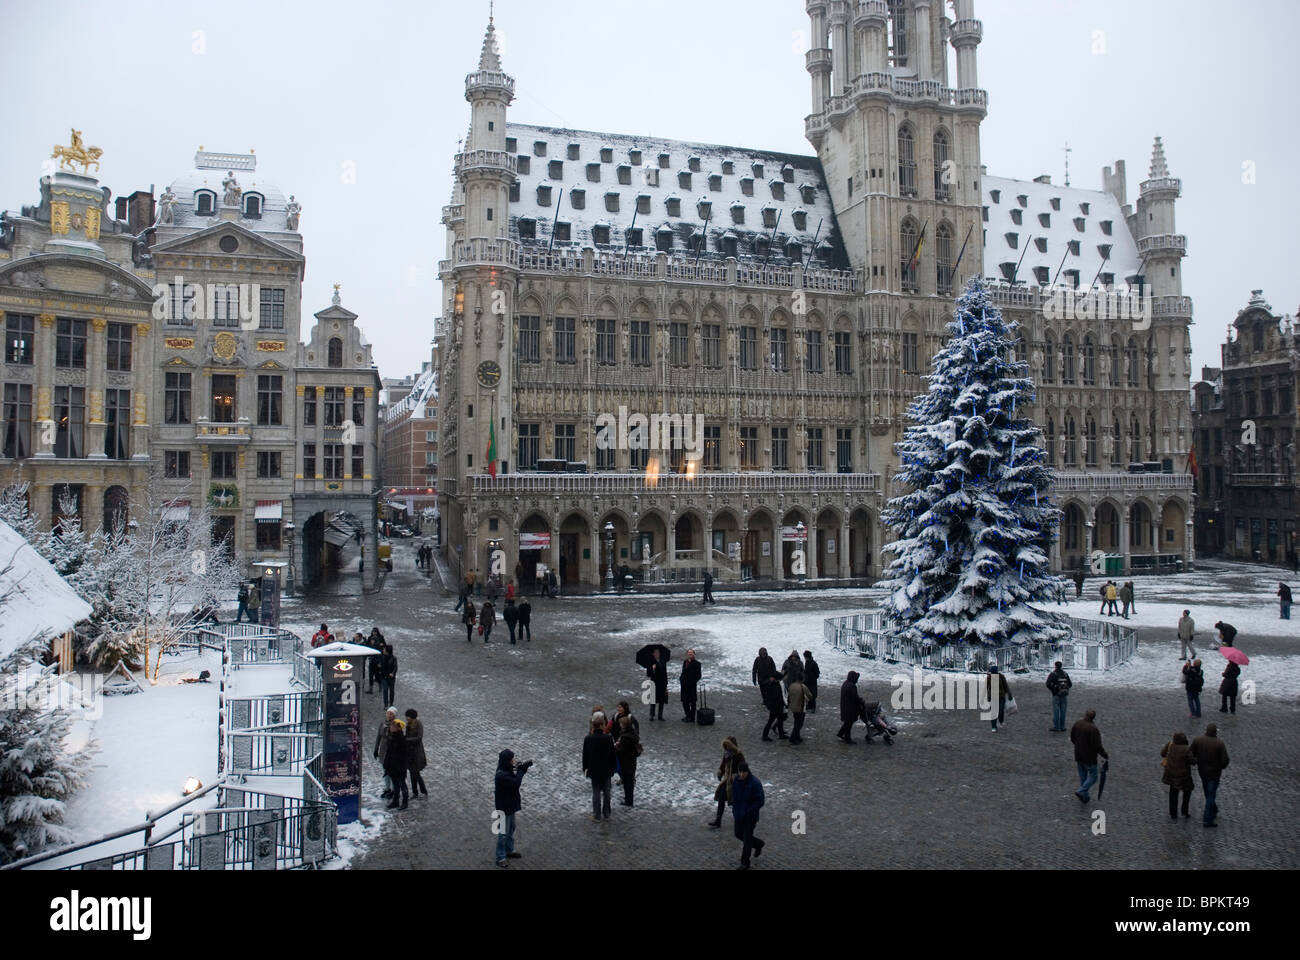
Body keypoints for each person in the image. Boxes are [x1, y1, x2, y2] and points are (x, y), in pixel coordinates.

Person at [493, 750, 533, 866]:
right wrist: (521, 771)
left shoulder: (505, 769)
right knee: (503, 832)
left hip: (509, 805)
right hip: (504, 807)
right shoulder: (501, 775)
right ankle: (500, 857)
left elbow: (515, 777)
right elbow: (515, 783)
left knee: (511, 827)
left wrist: (522, 769)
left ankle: (509, 850)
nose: (513, 761)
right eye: (511, 759)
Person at [1190, 723, 1229, 828]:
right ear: (1215, 732)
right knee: (1211, 794)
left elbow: (1190, 753)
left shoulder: (1198, 740)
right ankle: (1208, 819)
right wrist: (1221, 767)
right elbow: (1225, 760)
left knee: (1208, 793)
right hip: (1214, 773)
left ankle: (1213, 809)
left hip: (1202, 771)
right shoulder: (1219, 744)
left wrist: (1196, 761)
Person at [1070, 708, 1109, 804]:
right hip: (1089, 757)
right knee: (1093, 776)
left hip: (1078, 755)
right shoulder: (1093, 729)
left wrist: (1078, 746)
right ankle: (1081, 791)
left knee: (1083, 776)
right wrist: (1105, 755)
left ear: (1085, 714)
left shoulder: (1077, 724)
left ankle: (1085, 796)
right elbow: (1097, 746)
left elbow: (1072, 737)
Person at [731, 761, 765, 869]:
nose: (741, 775)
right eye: (740, 772)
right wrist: (735, 809)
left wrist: (750, 811)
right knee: (738, 833)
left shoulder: (754, 783)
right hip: (738, 814)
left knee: (747, 839)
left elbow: (760, 800)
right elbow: (734, 796)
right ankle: (758, 844)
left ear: (747, 771)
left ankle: (745, 863)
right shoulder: (736, 781)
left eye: (743, 772)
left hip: (750, 816)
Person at [582, 716, 616, 821]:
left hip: (594, 769)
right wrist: (613, 767)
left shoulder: (588, 739)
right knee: (607, 791)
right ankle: (606, 813)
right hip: (606, 769)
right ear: (602, 726)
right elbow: (612, 754)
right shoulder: (608, 738)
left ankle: (597, 814)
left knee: (596, 791)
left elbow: (585, 755)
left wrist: (585, 768)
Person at [709, 736, 744, 828]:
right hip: (727, 781)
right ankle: (718, 820)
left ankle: (741, 819)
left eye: (728, 745)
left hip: (735, 782)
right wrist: (720, 771)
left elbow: (743, 768)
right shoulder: (727, 754)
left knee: (736, 801)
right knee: (721, 798)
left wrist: (738, 778)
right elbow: (723, 764)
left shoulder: (738, 755)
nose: (727, 747)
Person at [1160, 732, 1195, 821]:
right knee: (1187, 791)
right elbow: (1192, 761)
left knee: (1173, 795)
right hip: (1184, 775)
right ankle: (1184, 811)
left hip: (1171, 774)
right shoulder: (1186, 749)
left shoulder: (1170, 745)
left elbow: (1162, 754)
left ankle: (1173, 815)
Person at [613, 715, 639, 807]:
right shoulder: (633, 734)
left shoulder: (625, 737)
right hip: (632, 761)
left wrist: (615, 746)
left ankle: (628, 801)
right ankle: (629, 799)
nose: (620, 725)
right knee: (630, 781)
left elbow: (621, 749)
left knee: (627, 782)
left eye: (621, 723)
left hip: (626, 761)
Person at [384, 717, 409, 809]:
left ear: (398, 728)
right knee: (396, 785)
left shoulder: (402, 740)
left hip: (399, 768)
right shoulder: (392, 737)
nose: (391, 727)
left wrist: (401, 767)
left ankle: (405, 802)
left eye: (393, 726)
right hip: (392, 767)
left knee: (402, 785)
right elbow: (389, 753)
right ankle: (396, 801)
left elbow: (403, 756)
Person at [373, 707, 398, 798]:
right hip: (383, 751)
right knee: (385, 771)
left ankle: (394, 789)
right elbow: (378, 737)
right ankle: (387, 788)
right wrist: (376, 749)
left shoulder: (396, 725)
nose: (389, 715)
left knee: (391, 772)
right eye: (388, 713)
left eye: (391, 714)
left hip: (391, 752)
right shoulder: (382, 724)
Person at [404, 709, 428, 798]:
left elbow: (419, 737)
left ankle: (423, 790)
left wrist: (407, 740)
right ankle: (415, 792)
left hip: (417, 752)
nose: (406, 718)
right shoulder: (408, 724)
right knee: (411, 772)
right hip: (409, 751)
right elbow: (406, 735)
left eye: (408, 716)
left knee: (416, 772)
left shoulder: (418, 724)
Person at [760, 669, 787, 742]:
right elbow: (777, 697)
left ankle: (780, 735)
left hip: (775, 707)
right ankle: (765, 736)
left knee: (778, 720)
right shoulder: (774, 686)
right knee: (772, 721)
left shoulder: (770, 684)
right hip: (776, 707)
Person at [837, 670, 863, 743]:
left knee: (847, 722)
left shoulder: (845, 683)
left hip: (845, 706)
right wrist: (861, 701)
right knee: (849, 723)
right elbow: (855, 698)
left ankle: (840, 734)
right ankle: (847, 738)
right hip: (850, 708)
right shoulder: (852, 686)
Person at [1046, 660, 1072, 732]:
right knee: (1063, 712)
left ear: (1055, 666)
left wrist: (1053, 690)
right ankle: (1062, 726)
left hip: (1056, 695)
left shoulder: (1053, 674)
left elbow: (1048, 684)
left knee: (1056, 711)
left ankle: (1057, 727)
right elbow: (1070, 684)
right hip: (1064, 695)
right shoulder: (1065, 674)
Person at [787, 677, 811, 744]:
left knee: (796, 722)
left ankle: (797, 736)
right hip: (801, 707)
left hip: (793, 707)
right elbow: (810, 695)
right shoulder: (803, 686)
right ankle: (793, 737)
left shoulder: (792, 686)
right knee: (799, 724)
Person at [986, 665, 1010, 732]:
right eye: (992, 673)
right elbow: (986, 687)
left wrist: (1009, 694)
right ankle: (993, 727)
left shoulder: (1001, 677)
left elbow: (1006, 686)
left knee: (1001, 710)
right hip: (992, 697)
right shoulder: (989, 678)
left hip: (1001, 697)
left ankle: (1001, 720)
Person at [646, 647, 668, 720]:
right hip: (654, 683)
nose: (657, 654)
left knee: (662, 700)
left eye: (658, 652)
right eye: (655, 653)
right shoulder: (650, 662)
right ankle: (652, 715)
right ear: (653, 654)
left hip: (662, 683)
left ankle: (660, 715)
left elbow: (665, 673)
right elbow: (648, 674)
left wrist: (666, 684)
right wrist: (652, 669)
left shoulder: (663, 661)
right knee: (653, 700)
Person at [680, 648, 702, 722]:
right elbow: (683, 672)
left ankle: (692, 717)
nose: (690, 654)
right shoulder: (685, 662)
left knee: (692, 702)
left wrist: (692, 682)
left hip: (691, 686)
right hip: (684, 686)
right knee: (684, 702)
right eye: (689, 653)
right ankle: (687, 715)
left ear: (694, 654)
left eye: (691, 653)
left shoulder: (697, 663)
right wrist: (681, 680)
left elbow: (699, 675)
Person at [381, 644, 398, 709]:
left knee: (391, 690)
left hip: (391, 677)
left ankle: (391, 703)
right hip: (384, 676)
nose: (383, 650)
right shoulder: (382, 657)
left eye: (384, 649)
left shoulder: (393, 658)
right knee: (385, 690)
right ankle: (385, 704)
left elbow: (395, 667)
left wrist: (393, 673)